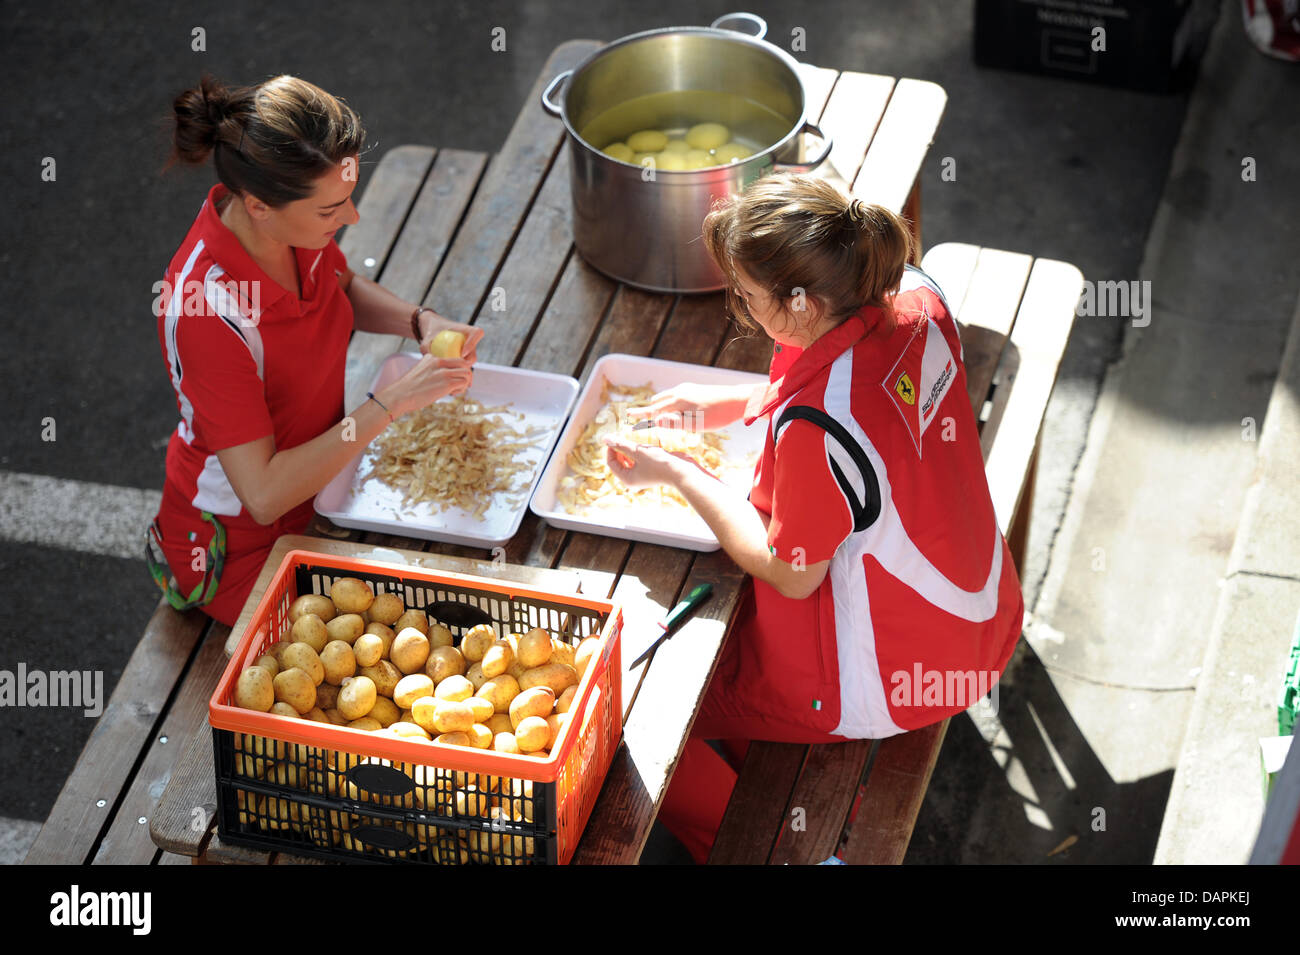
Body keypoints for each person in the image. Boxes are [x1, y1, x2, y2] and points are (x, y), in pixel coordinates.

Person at [602, 174, 1025, 863]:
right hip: (976, 612)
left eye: (745, 291)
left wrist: (679, 473)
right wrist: (710, 405)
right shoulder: (916, 292)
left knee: (636, 710)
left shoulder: (817, 429)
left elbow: (791, 574)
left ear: (800, 303)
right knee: (708, 672)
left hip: (892, 673)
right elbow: (852, 378)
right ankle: (809, 794)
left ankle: (779, 853)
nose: (737, 302)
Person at [149, 74, 483, 625]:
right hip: (240, 547)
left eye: (348, 198)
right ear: (257, 206)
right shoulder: (206, 313)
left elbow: (342, 286)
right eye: (331, 211)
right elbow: (263, 493)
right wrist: (392, 403)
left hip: (331, 487)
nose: (350, 218)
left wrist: (419, 321)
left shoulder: (293, 231)